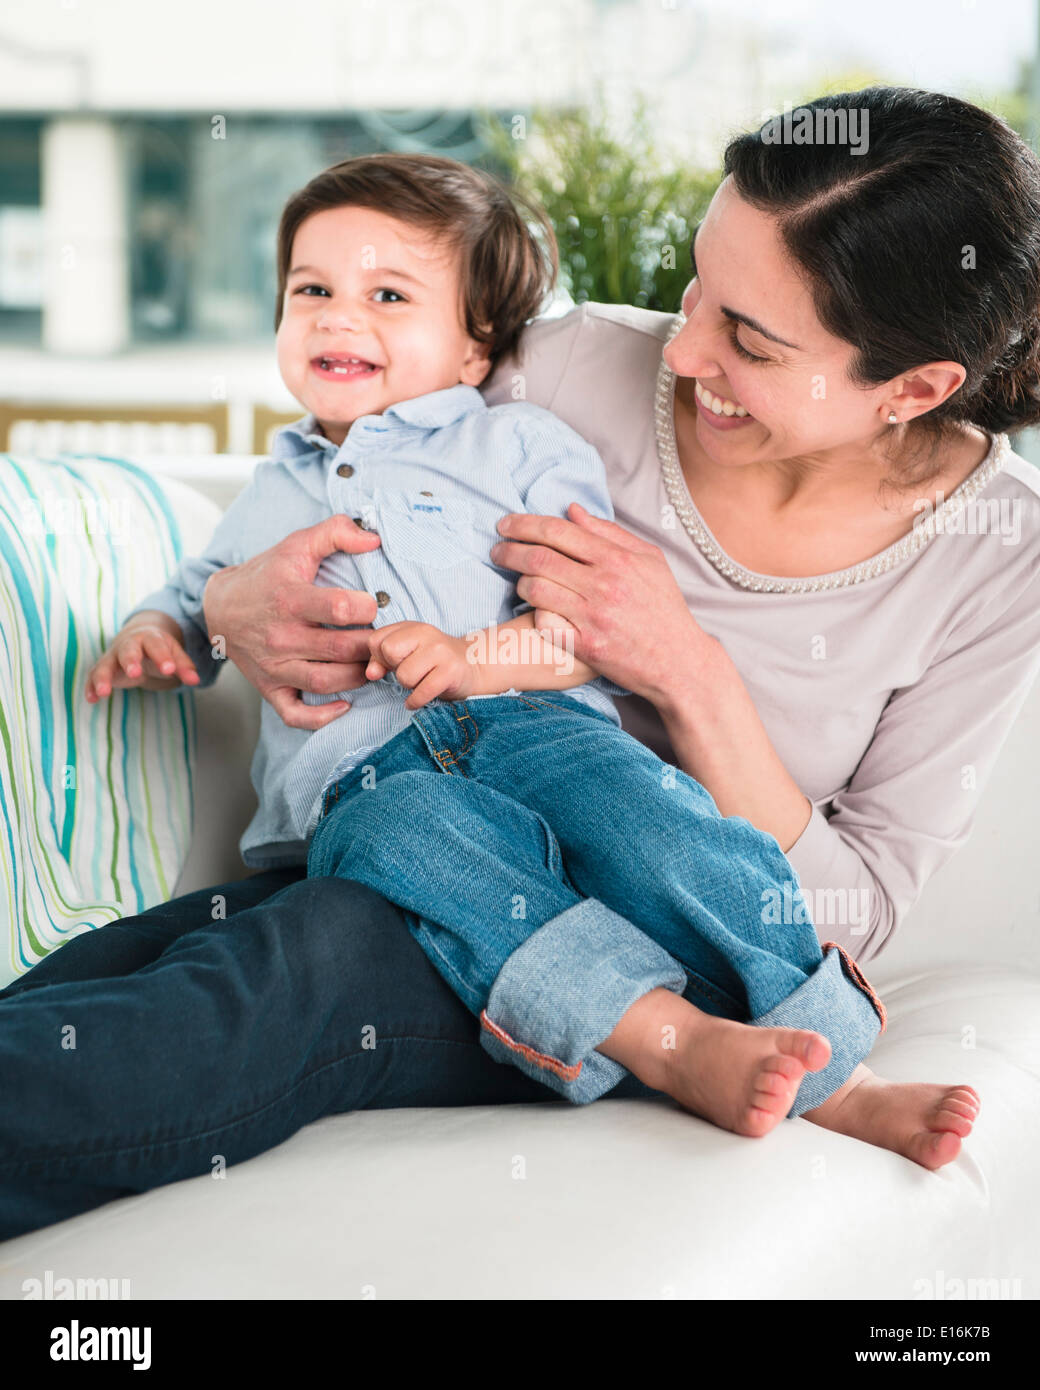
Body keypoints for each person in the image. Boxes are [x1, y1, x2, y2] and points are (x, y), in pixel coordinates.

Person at [2, 87, 1035, 1241]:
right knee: (125, 957)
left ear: (913, 388)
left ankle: (718, 1047)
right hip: (411, 813)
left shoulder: (997, 557)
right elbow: (352, 471)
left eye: (748, 338)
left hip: (623, 919)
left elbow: (861, 908)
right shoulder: (556, 367)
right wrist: (235, 607)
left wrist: (683, 671)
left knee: (302, 966)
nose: (681, 345)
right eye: (697, 282)